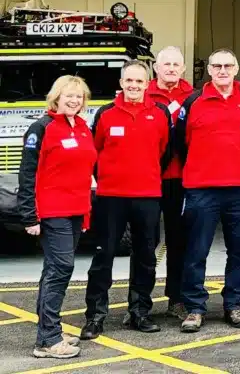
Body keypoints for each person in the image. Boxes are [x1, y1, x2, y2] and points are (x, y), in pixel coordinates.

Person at [81, 61, 172, 340]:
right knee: (103, 256)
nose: (134, 86)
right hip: (111, 197)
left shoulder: (159, 113)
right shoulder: (106, 113)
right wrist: (110, 178)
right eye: (129, 81)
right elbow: (94, 152)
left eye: (139, 82)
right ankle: (95, 316)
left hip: (147, 196)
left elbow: (164, 152)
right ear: (121, 83)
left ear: (148, 84)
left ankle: (139, 312)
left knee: (145, 257)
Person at [175, 48, 240, 333]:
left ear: (236, 69)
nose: (223, 71)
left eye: (228, 66)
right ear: (208, 70)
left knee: (239, 251)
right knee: (196, 250)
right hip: (201, 189)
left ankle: (234, 304)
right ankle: (194, 308)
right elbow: (179, 141)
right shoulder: (194, 101)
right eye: (217, 66)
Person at [17, 76, 97, 360]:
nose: (74, 101)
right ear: (56, 98)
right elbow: (27, 174)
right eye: (69, 96)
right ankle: (47, 340)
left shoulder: (82, 128)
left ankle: (49, 330)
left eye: (79, 96)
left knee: (55, 270)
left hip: (76, 210)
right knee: (60, 269)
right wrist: (29, 215)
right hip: (53, 211)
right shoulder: (42, 128)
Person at [146, 45, 193, 321]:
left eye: (177, 64)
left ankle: (176, 299)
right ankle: (139, 302)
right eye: (167, 64)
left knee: (179, 242)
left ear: (183, 68)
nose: (172, 69)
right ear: (156, 68)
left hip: (182, 180)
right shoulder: (143, 93)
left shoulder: (195, 96)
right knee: (145, 242)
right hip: (149, 180)